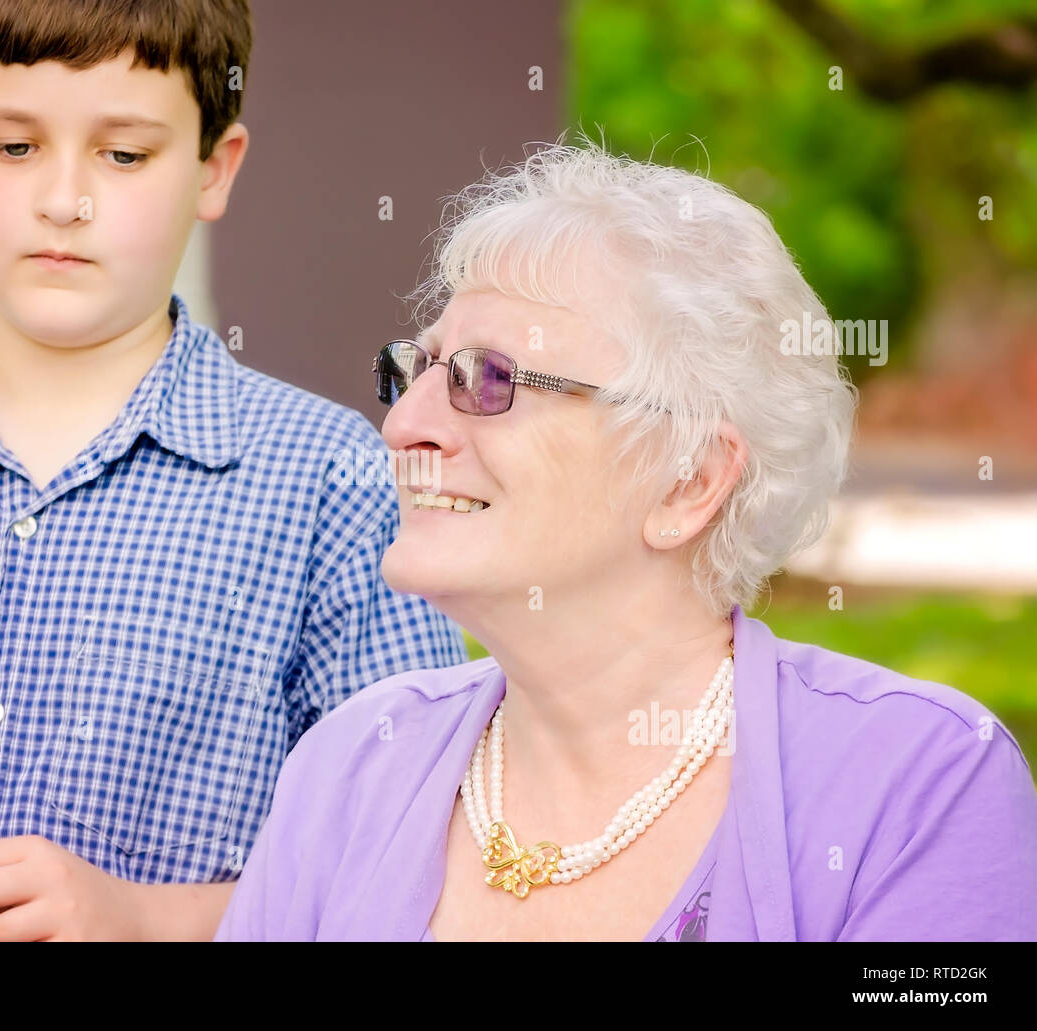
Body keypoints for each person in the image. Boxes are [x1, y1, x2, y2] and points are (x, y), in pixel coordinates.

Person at [0, 0, 468, 943]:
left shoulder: (332, 484)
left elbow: (399, 867)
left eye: (123, 155)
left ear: (214, 167)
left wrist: (143, 920)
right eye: (13, 147)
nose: (64, 199)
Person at [213, 140, 1037, 941]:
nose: (402, 424)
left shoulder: (918, 783)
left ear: (689, 479)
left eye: (487, 377)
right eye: (415, 370)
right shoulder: (349, 767)